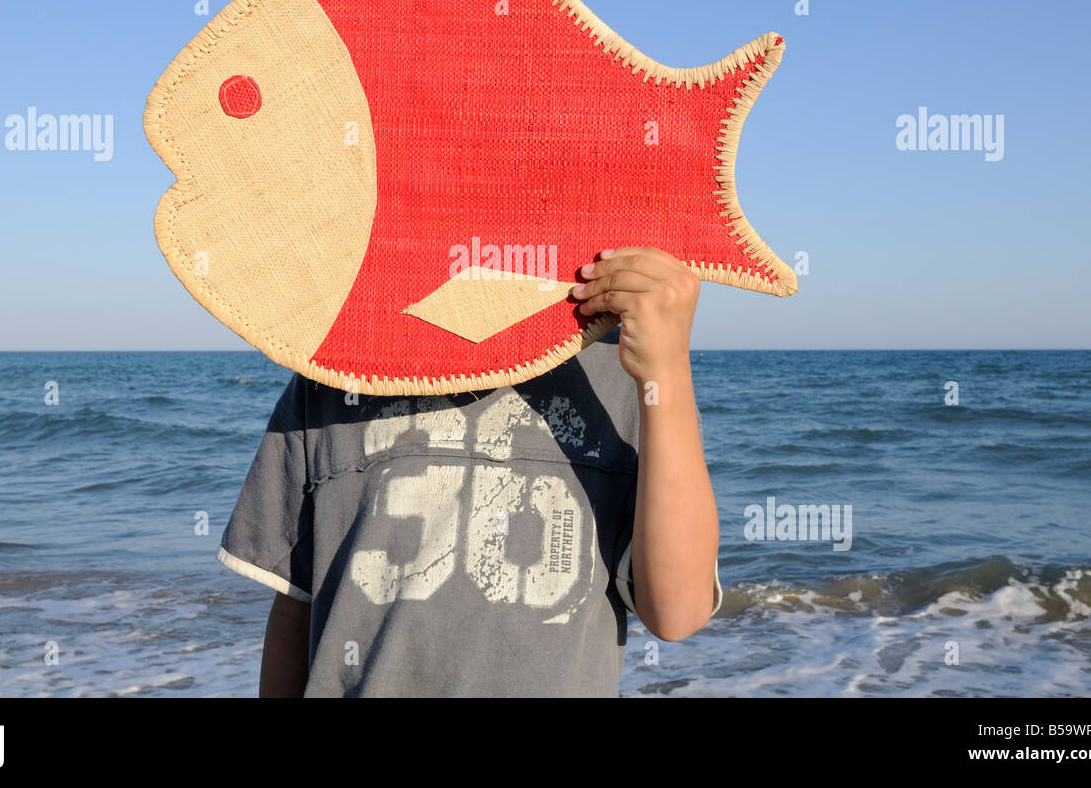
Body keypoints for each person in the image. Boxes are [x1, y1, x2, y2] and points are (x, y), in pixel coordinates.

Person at [218, 247, 722, 696]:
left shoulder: (631, 375)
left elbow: (677, 613)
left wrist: (667, 369)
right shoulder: (336, 370)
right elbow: (297, 603)